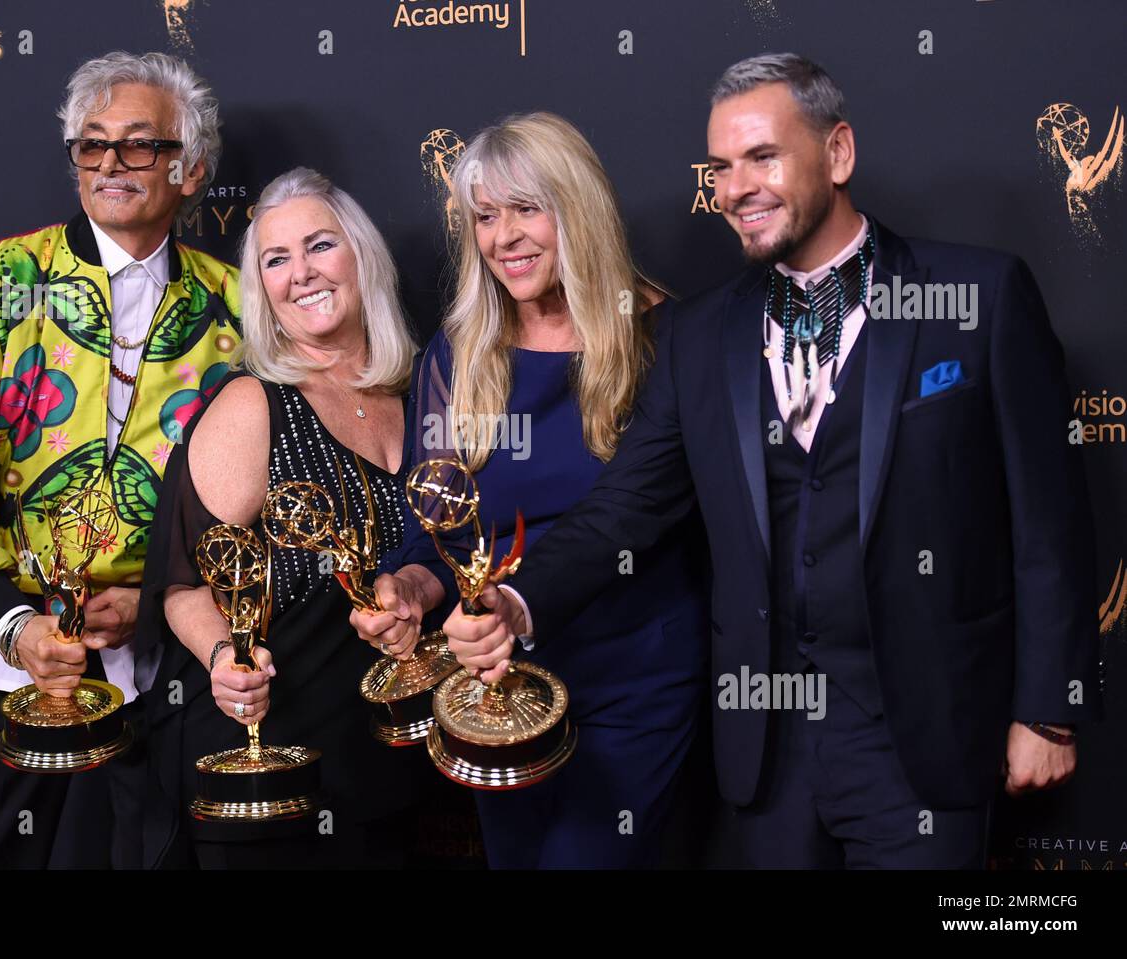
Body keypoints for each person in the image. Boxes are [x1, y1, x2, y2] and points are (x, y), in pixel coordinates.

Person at [446, 54, 1103, 869]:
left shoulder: (979, 296)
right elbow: (625, 508)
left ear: (837, 154)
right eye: (721, 167)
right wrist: (516, 599)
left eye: (763, 157)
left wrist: (1048, 710)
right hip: (764, 752)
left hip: (923, 740)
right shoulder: (698, 334)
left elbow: (1049, 521)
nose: (735, 187)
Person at [0, 51, 241, 868]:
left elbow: (250, 502)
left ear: (190, 169)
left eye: (138, 146)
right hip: (5, 668)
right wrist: (13, 626)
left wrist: (156, 601)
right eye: (91, 146)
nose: (111, 165)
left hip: (164, 675)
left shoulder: (238, 304)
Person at [351, 112, 710, 868]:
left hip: (632, 683)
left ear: (576, 209)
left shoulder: (665, 339)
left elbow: (632, 517)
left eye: (526, 208)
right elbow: (435, 524)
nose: (503, 236)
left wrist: (518, 606)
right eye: (485, 216)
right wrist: (412, 590)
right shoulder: (459, 349)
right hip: (496, 684)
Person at [135, 167, 426, 868]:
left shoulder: (424, 392)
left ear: (361, 255)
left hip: (385, 761)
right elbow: (182, 584)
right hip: (265, 762)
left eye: (320, 245)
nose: (301, 273)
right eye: (275, 259)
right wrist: (221, 659)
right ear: (260, 288)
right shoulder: (253, 404)